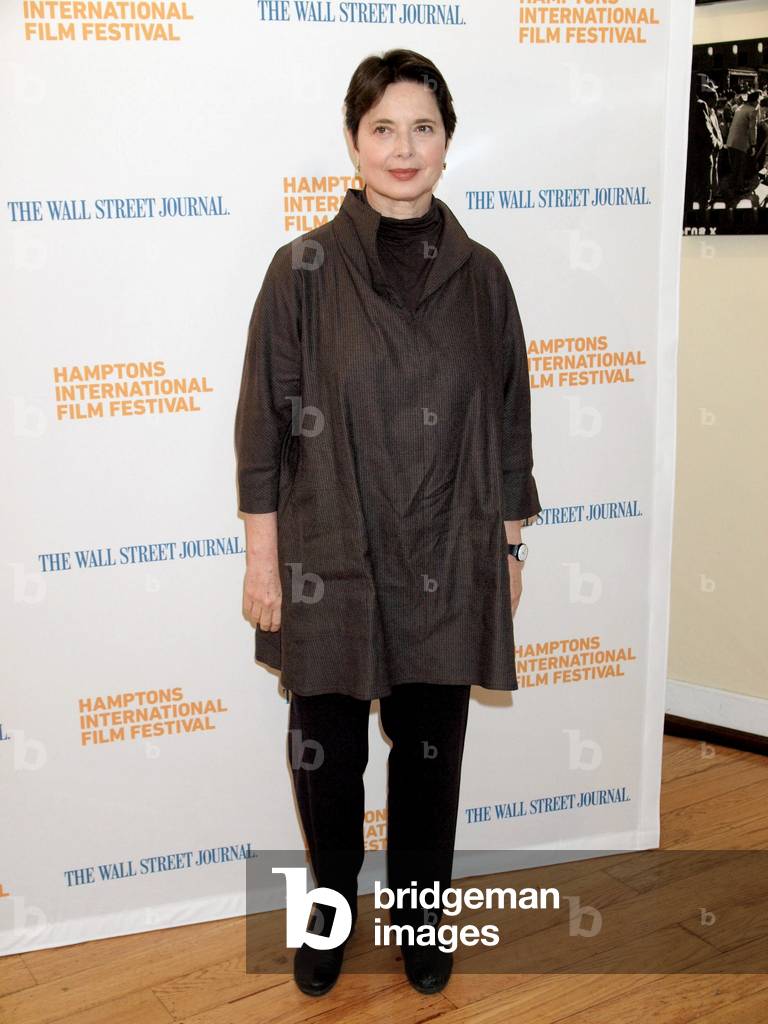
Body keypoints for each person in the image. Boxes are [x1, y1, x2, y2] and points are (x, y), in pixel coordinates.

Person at [234, 49, 541, 998]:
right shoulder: (301, 270)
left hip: (449, 549)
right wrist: (263, 560)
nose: (403, 149)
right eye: (383, 129)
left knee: (431, 759)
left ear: (447, 143)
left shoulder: (483, 278)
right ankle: (330, 915)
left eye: (423, 128)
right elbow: (261, 426)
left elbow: (510, 420)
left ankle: (420, 916)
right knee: (328, 762)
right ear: (353, 141)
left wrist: (511, 542)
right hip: (328, 554)